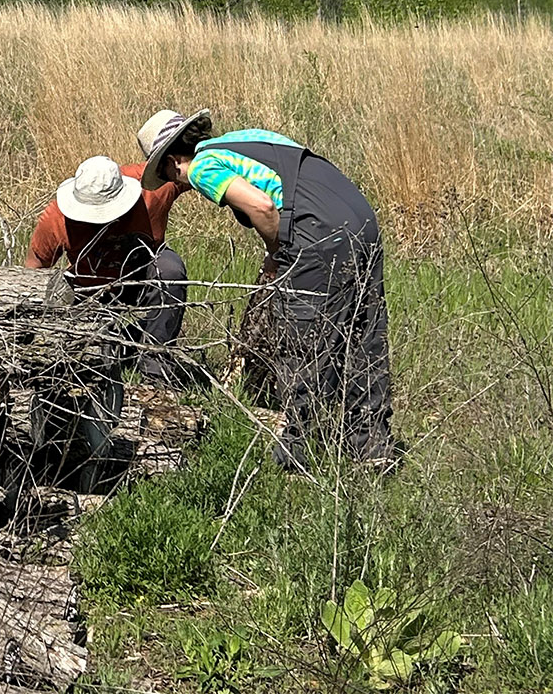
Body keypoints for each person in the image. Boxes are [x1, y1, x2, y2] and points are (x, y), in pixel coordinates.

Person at [139, 108, 396, 472]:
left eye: (166, 175)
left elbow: (262, 207)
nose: (174, 183)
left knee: (304, 340)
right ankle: (371, 446)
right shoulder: (245, 140)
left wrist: (279, 254)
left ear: (171, 162)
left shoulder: (199, 167)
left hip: (317, 230)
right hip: (360, 217)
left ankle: (295, 454)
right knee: (362, 330)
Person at [25, 155, 189, 385]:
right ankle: (116, 343)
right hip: (89, 291)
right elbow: (32, 275)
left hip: (141, 275)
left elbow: (194, 168)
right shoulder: (56, 219)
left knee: (170, 271)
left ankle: (155, 372)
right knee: (100, 348)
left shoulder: (152, 187)